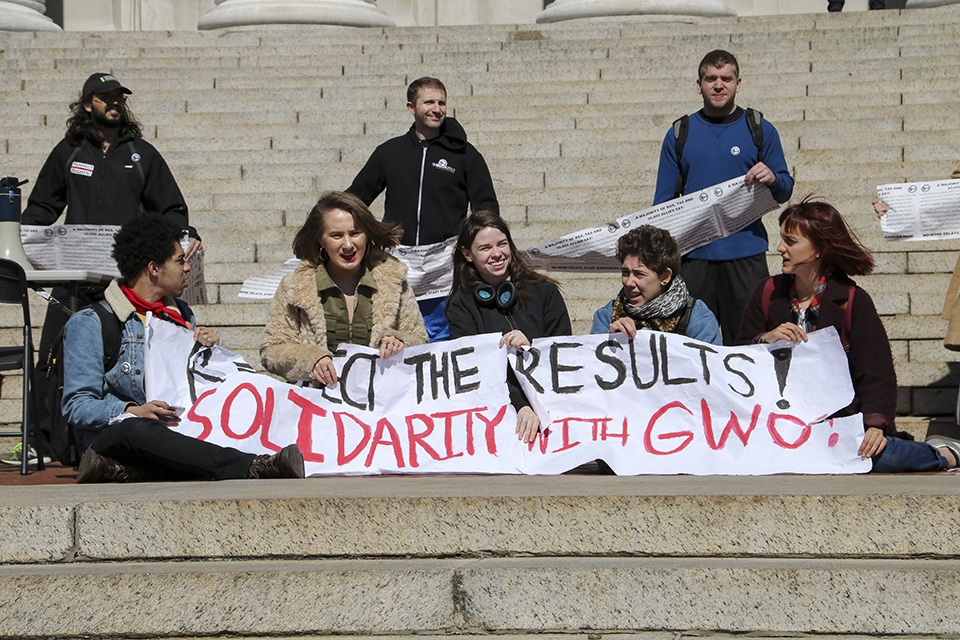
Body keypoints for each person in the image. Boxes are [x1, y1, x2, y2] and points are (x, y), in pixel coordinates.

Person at [18, 73, 199, 463]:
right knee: (52, 352)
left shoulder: (142, 153)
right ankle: (42, 441)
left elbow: (171, 208)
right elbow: (41, 208)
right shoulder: (69, 150)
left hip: (126, 279)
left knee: (129, 355)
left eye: (119, 97)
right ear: (88, 104)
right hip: (74, 277)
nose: (114, 103)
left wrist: (187, 233)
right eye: (105, 97)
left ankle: (129, 429)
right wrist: (21, 241)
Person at [64, 214, 304, 483]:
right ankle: (254, 466)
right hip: (114, 433)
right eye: (180, 261)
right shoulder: (91, 322)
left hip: (171, 427)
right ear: (154, 268)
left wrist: (204, 353)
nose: (188, 268)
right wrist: (131, 410)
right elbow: (77, 405)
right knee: (138, 430)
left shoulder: (179, 315)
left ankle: (123, 471)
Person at [736, 199, 959, 473]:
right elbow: (737, 354)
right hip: (778, 419)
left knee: (878, 459)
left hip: (837, 419)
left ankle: (945, 455)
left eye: (790, 241)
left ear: (817, 249)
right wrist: (765, 339)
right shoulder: (768, 291)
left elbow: (876, 371)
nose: (780, 248)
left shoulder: (853, 300)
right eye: (782, 239)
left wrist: (875, 425)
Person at [654, 50, 794, 346]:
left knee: (749, 341)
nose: (719, 85)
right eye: (711, 79)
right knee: (690, 345)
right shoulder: (680, 133)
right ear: (699, 84)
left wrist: (773, 178)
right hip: (693, 257)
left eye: (726, 79)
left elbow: (785, 187)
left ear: (738, 83)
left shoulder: (760, 129)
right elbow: (663, 204)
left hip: (745, 254)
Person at [346, 77, 499, 342]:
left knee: (442, 335)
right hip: (397, 259)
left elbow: (486, 208)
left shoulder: (465, 155)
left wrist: (471, 240)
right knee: (395, 333)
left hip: (444, 265)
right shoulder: (389, 152)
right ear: (411, 107)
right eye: (429, 102)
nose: (436, 108)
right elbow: (355, 199)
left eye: (441, 103)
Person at [261, 191, 428, 385]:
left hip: (380, 400)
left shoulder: (395, 279)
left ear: (366, 235)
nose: (348, 244)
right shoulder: (294, 286)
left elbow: (419, 338)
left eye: (355, 233)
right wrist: (310, 359)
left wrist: (400, 341)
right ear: (321, 240)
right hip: (317, 402)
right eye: (336, 235)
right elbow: (272, 350)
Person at [446, 211, 572, 443]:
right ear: (467, 254)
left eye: (502, 244)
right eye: (485, 248)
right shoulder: (460, 305)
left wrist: (531, 347)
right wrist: (520, 405)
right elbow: (476, 373)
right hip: (500, 412)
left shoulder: (545, 292)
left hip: (552, 406)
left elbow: (564, 357)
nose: (497, 254)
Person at [591, 226, 721, 345]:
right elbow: (592, 364)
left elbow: (711, 366)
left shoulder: (696, 318)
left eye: (639, 274)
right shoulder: (608, 316)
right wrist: (610, 342)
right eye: (625, 272)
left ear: (665, 277)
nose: (629, 282)